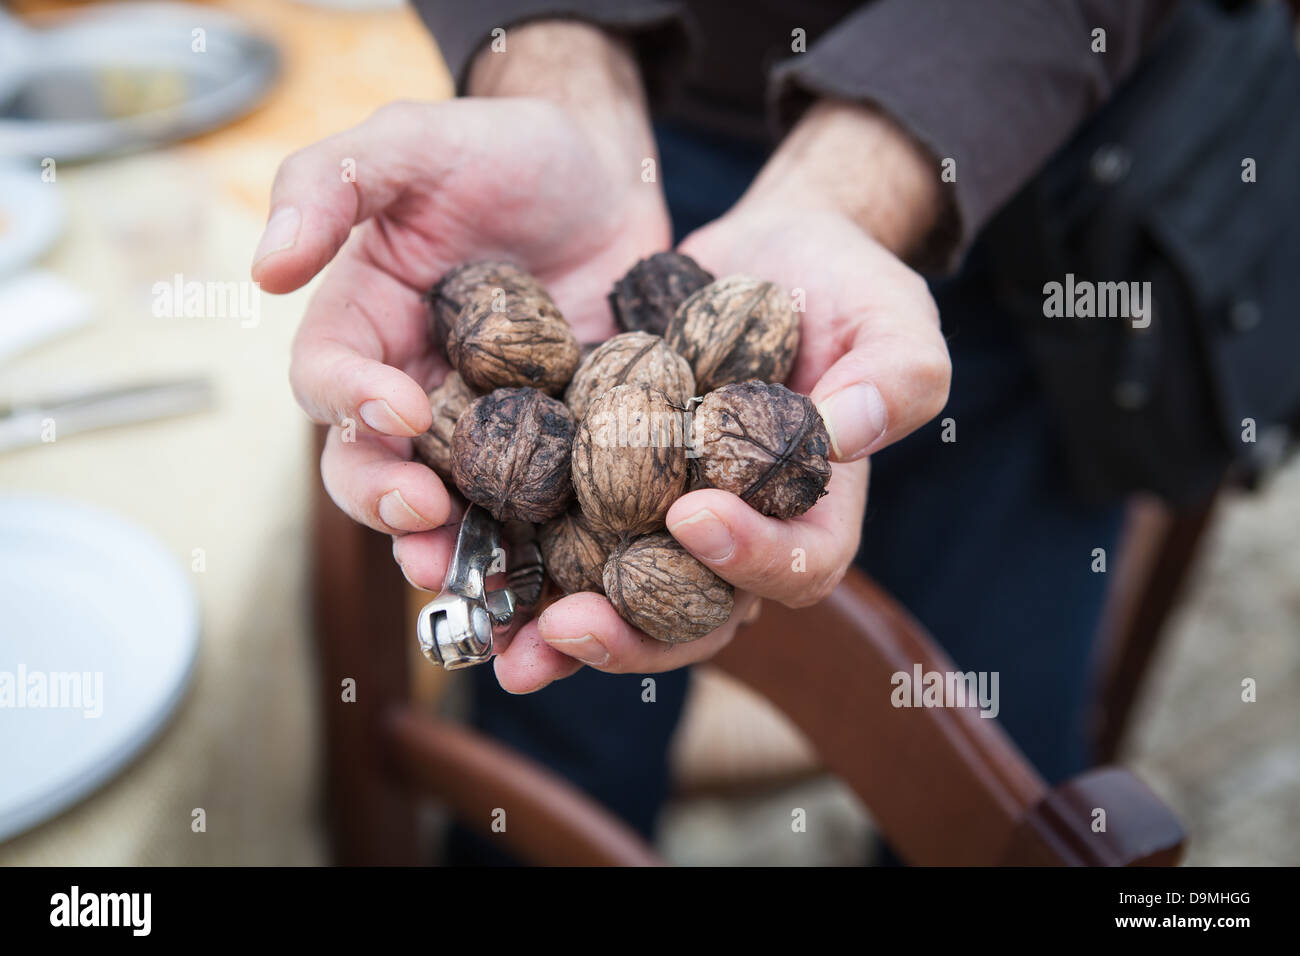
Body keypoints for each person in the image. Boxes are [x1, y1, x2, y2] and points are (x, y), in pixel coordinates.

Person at [252, 1, 1300, 862]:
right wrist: (550, 56)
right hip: (642, 118)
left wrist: (858, 181)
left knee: (992, 757)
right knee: (560, 710)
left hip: (1041, 164)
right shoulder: (598, 374)